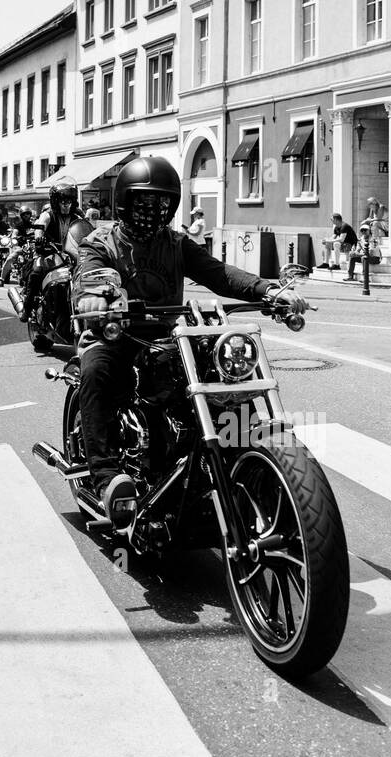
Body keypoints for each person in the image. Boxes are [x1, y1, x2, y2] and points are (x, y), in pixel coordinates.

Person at [73, 156, 308, 522]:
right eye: (144, 202)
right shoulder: (100, 242)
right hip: (117, 334)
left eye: (162, 203)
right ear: (125, 202)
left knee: (225, 374)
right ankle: (106, 477)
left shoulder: (177, 243)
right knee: (95, 369)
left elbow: (219, 274)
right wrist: (98, 293)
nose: (154, 210)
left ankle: (247, 462)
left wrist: (267, 290)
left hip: (171, 336)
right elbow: (93, 272)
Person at [20, 177, 91, 325]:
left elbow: (87, 230)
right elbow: (40, 226)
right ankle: (26, 308)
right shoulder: (48, 215)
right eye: (63, 202)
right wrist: (39, 238)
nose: (66, 205)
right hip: (49, 253)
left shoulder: (77, 216)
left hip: (71, 254)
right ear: (56, 202)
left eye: (69, 202)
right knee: (37, 271)